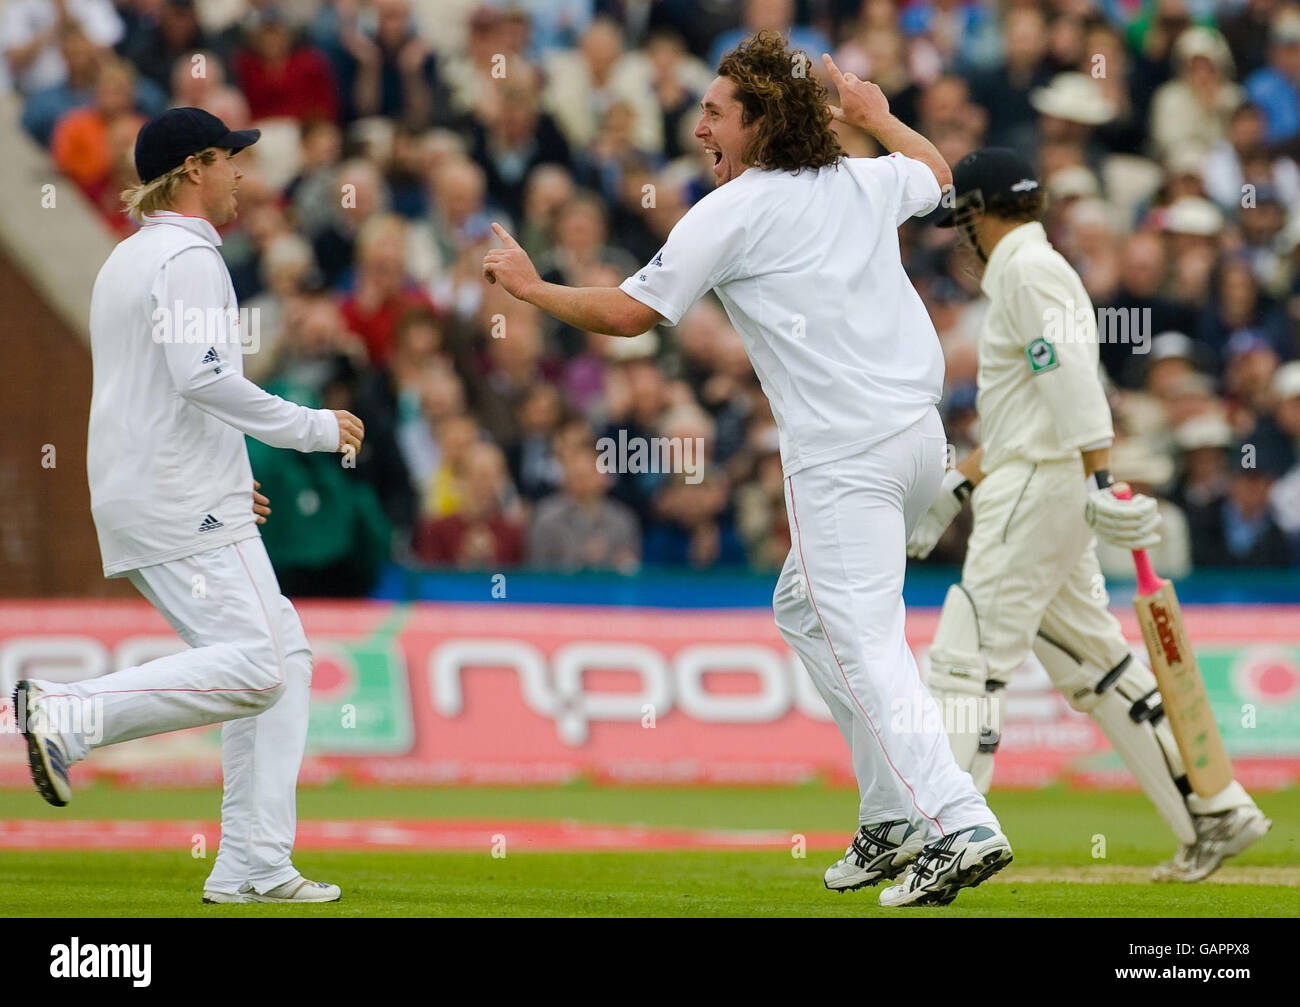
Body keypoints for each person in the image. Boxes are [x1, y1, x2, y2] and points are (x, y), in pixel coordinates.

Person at [482, 31, 1012, 908]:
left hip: (843, 458)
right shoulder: (858, 176)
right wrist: (880, 118)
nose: (699, 128)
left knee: (868, 645)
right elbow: (941, 177)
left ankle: (959, 819)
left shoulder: (730, 211)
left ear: (761, 123)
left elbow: (627, 314)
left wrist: (533, 290)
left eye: (715, 112)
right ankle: (889, 814)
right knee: (804, 610)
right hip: (920, 444)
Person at [13, 108, 366, 905]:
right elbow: (202, 377)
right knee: (259, 665)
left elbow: (152, 392)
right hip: (179, 498)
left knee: (285, 659)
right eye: (232, 160)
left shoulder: (132, 259)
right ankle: (68, 714)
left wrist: (227, 468)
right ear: (195, 166)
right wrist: (312, 426)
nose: (243, 175)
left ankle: (251, 861)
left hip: (163, 490)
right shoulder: (189, 257)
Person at [909, 147, 1271, 883]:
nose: (960, 239)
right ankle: (1214, 808)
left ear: (981, 213)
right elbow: (1027, 408)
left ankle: (954, 836)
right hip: (1041, 482)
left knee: (966, 654)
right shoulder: (1033, 269)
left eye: (963, 223)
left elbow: (1069, 380)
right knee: (1094, 662)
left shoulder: (1027, 270)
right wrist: (957, 482)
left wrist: (1100, 474)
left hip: (1039, 488)